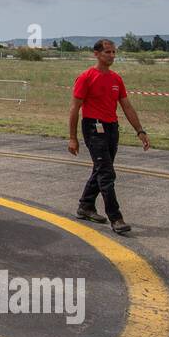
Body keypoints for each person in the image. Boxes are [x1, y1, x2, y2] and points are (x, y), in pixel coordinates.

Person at [67, 38, 150, 234]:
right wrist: (72, 137)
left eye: (114, 52)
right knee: (107, 173)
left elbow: (127, 106)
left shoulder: (116, 79)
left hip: (112, 128)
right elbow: (74, 109)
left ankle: (85, 206)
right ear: (96, 54)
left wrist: (140, 130)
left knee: (102, 168)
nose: (112, 56)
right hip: (93, 128)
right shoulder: (86, 77)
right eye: (108, 52)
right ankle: (116, 218)